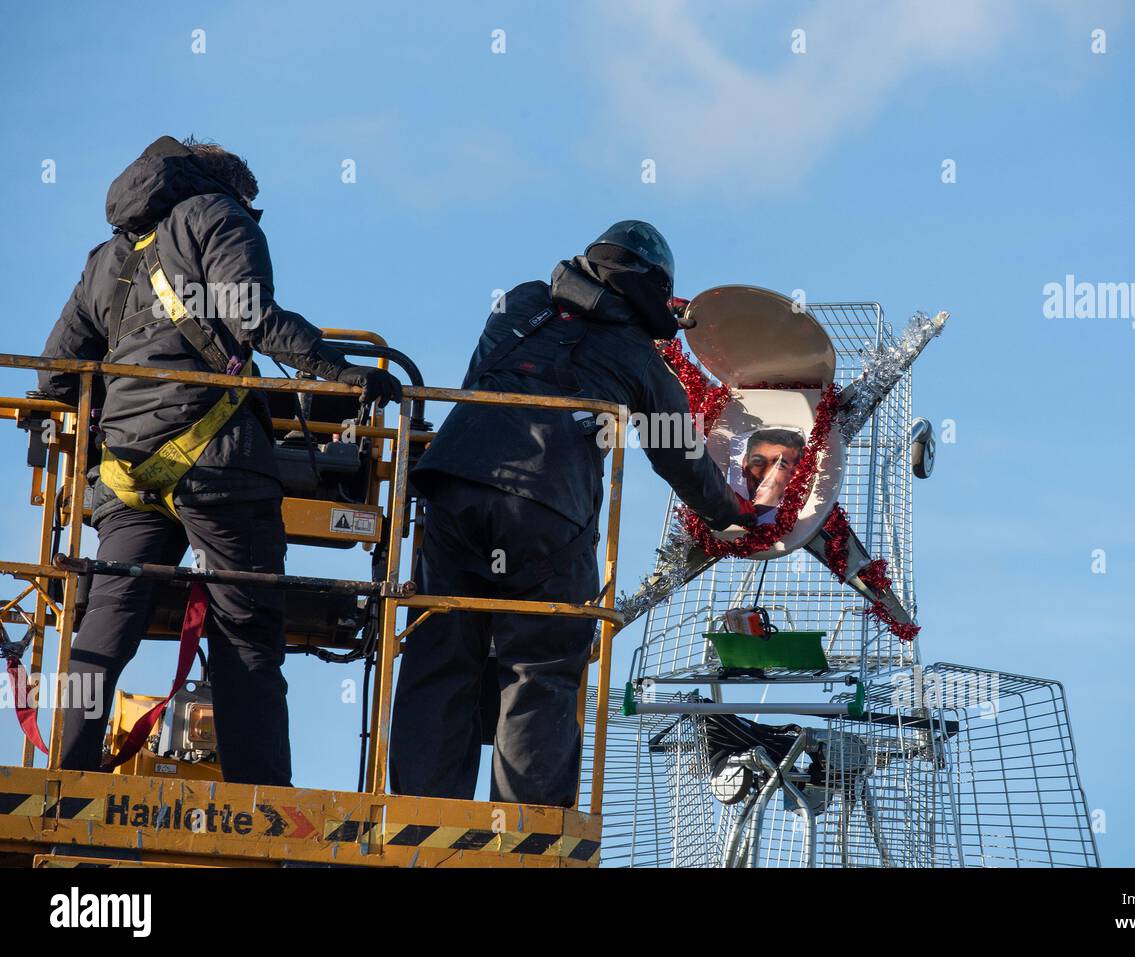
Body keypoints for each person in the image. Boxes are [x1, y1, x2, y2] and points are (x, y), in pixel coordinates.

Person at [38, 135, 402, 785]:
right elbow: (252, 317)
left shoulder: (107, 259)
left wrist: (60, 419)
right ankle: (260, 804)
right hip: (218, 465)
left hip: (125, 475)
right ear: (231, 190)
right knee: (247, 634)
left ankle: (63, 779)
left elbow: (58, 375)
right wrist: (340, 372)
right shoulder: (217, 215)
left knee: (103, 630)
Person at [391, 220, 755, 806]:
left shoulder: (521, 302)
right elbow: (680, 455)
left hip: (455, 484)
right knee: (540, 669)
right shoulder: (639, 358)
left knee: (440, 656)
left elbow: (481, 380)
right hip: (547, 512)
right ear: (654, 291)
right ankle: (529, 832)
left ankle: (420, 816)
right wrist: (729, 512)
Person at [740, 428, 805, 521]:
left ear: (795, 473)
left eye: (780, 465)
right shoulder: (726, 511)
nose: (766, 474)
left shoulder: (798, 521)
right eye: (758, 461)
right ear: (745, 463)